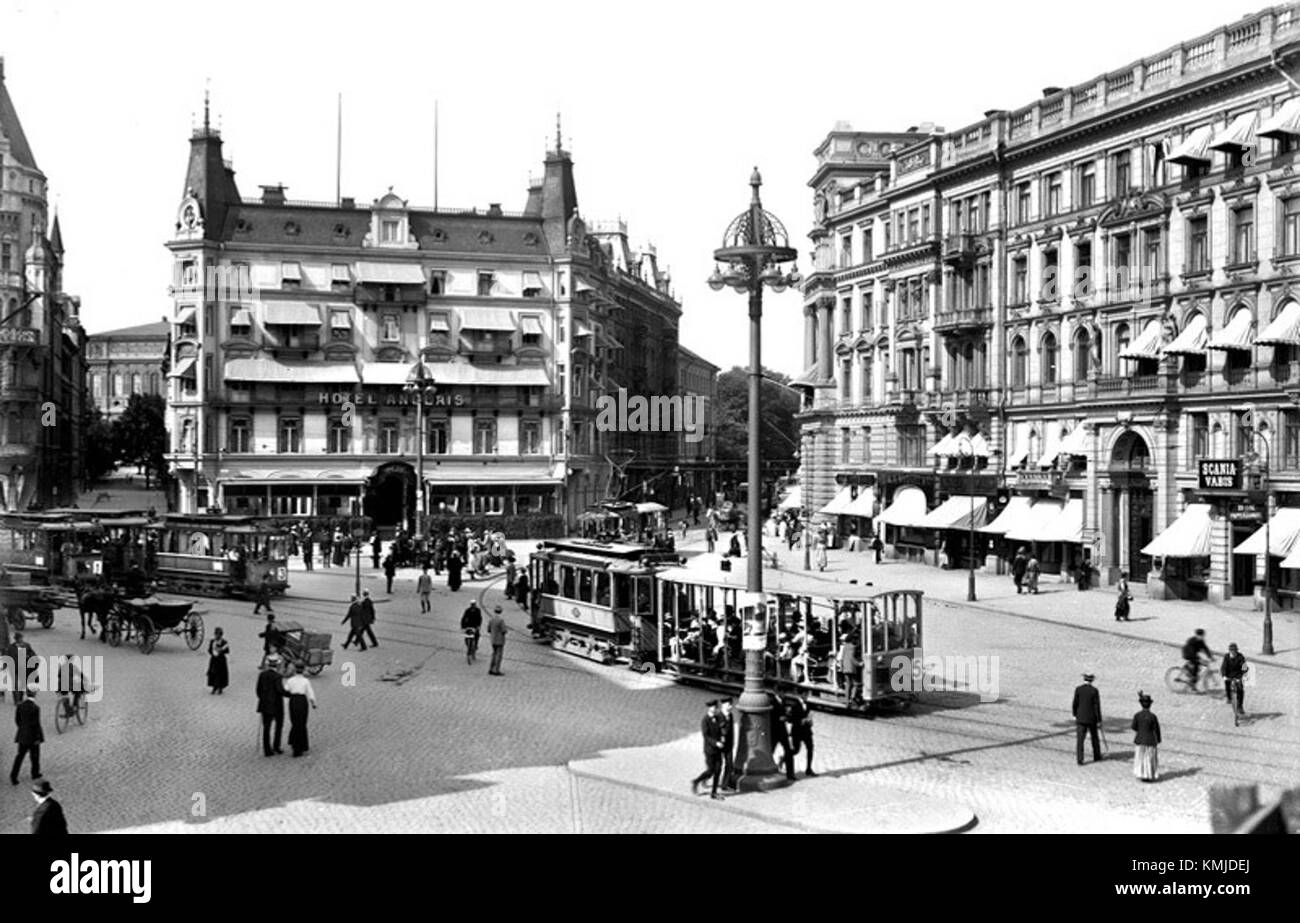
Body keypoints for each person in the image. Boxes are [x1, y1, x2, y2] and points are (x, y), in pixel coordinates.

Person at [690, 700, 726, 800]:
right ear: (709, 708)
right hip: (710, 750)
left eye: (716, 707)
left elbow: (722, 729)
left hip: (719, 750)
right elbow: (706, 736)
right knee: (710, 770)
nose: (714, 709)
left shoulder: (718, 718)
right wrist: (716, 743)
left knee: (718, 770)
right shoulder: (705, 720)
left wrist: (723, 736)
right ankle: (696, 781)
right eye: (713, 708)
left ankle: (714, 793)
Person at [283, 664, 317, 757]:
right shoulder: (305, 681)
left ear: (294, 671)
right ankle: (302, 745)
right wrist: (313, 703)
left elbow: (285, 690)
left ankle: (294, 744)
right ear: (303, 670)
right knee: (302, 722)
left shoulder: (290, 680)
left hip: (293, 700)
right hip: (302, 701)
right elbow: (310, 692)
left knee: (294, 722)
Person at [256, 654, 286, 756]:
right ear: (276, 665)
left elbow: (258, 690)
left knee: (266, 727)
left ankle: (267, 749)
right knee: (278, 726)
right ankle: (276, 746)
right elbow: (280, 690)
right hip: (276, 705)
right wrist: (289, 693)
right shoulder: (277, 676)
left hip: (265, 704)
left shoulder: (262, 675)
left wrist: (263, 698)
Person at [11, 692, 43, 784]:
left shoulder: (20, 706)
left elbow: (17, 720)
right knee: (35, 756)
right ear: (35, 694)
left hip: (22, 735)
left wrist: (22, 729)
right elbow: (36, 724)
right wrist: (38, 737)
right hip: (33, 736)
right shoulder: (36, 708)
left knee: (20, 756)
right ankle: (35, 773)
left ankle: (14, 775)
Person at [1072, 671, 1103, 765]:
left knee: (1080, 739)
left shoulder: (1078, 689)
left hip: (1080, 717)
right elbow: (1097, 706)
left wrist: (1074, 714)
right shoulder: (1094, 690)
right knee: (1094, 738)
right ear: (1092, 680)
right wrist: (1099, 720)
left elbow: (1075, 703)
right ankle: (1096, 756)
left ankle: (1080, 759)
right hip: (1092, 718)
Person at [1131, 691, 1161, 782]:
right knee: (1149, 758)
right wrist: (1158, 739)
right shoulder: (1153, 717)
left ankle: (1141, 773)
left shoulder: (1137, 715)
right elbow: (1157, 730)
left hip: (1140, 739)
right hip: (1151, 740)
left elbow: (1134, 727)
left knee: (1140, 758)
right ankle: (1148, 774)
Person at [787, 692, 817, 777]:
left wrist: (810, 721)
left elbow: (809, 715)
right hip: (797, 731)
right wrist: (800, 721)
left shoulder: (808, 705)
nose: (806, 697)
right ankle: (785, 758)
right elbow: (791, 719)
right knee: (796, 750)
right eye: (805, 695)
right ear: (801, 695)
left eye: (807, 695)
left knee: (810, 748)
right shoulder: (795, 705)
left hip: (807, 731)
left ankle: (808, 769)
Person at [768, 691, 795, 782]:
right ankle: (767, 770)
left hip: (783, 731)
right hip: (774, 731)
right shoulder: (771, 701)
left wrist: (788, 717)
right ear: (778, 692)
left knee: (788, 751)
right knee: (770, 751)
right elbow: (769, 716)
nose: (784, 695)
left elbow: (788, 715)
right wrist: (778, 719)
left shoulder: (784, 701)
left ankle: (790, 774)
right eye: (783, 693)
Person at [1222, 643, 1248, 715]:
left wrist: (1244, 673)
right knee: (1227, 684)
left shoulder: (1240, 657)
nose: (1233, 652)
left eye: (1234, 651)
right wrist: (1224, 675)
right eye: (1231, 651)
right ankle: (1229, 697)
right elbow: (1224, 666)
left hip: (1238, 675)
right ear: (1229, 651)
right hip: (1229, 675)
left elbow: (1244, 666)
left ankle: (1240, 706)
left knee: (1240, 690)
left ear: (1236, 651)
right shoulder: (1226, 657)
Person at [718, 698, 737, 790]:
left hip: (728, 745)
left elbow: (731, 730)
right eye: (728, 705)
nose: (730, 707)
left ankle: (725, 784)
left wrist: (732, 741)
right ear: (723, 705)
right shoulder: (718, 716)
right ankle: (707, 777)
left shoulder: (731, 715)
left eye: (731, 705)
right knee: (718, 765)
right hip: (719, 745)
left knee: (729, 764)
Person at [206, 627, 230, 694]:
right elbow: (209, 650)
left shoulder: (224, 642)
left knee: (221, 674)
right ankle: (214, 687)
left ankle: (220, 687)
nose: (217, 636)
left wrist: (221, 651)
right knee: (213, 674)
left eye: (219, 634)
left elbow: (227, 651)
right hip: (214, 660)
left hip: (221, 661)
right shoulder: (212, 641)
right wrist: (213, 652)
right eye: (216, 634)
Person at [487, 605, 507, 675]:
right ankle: (496, 670)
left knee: (494, 654)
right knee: (499, 655)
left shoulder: (491, 619)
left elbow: (488, 629)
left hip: (493, 639)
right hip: (500, 640)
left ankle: (491, 668)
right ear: (501, 611)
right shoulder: (501, 620)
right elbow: (504, 630)